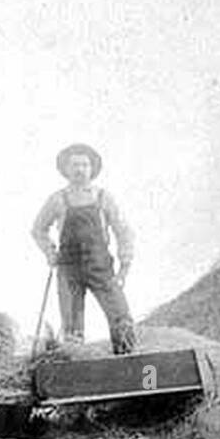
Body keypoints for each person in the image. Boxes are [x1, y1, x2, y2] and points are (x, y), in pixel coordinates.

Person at [30, 143, 137, 354]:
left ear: (92, 169)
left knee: (121, 318)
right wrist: (50, 253)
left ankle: (129, 367)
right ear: (67, 170)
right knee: (72, 328)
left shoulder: (104, 197)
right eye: (75, 165)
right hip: (69, 270)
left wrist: (124, 266)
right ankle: (77, 375)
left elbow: (123, 231)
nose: (80, 169)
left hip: (100, 266)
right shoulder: (57, 199)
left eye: (84, 165)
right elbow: (38, 229)